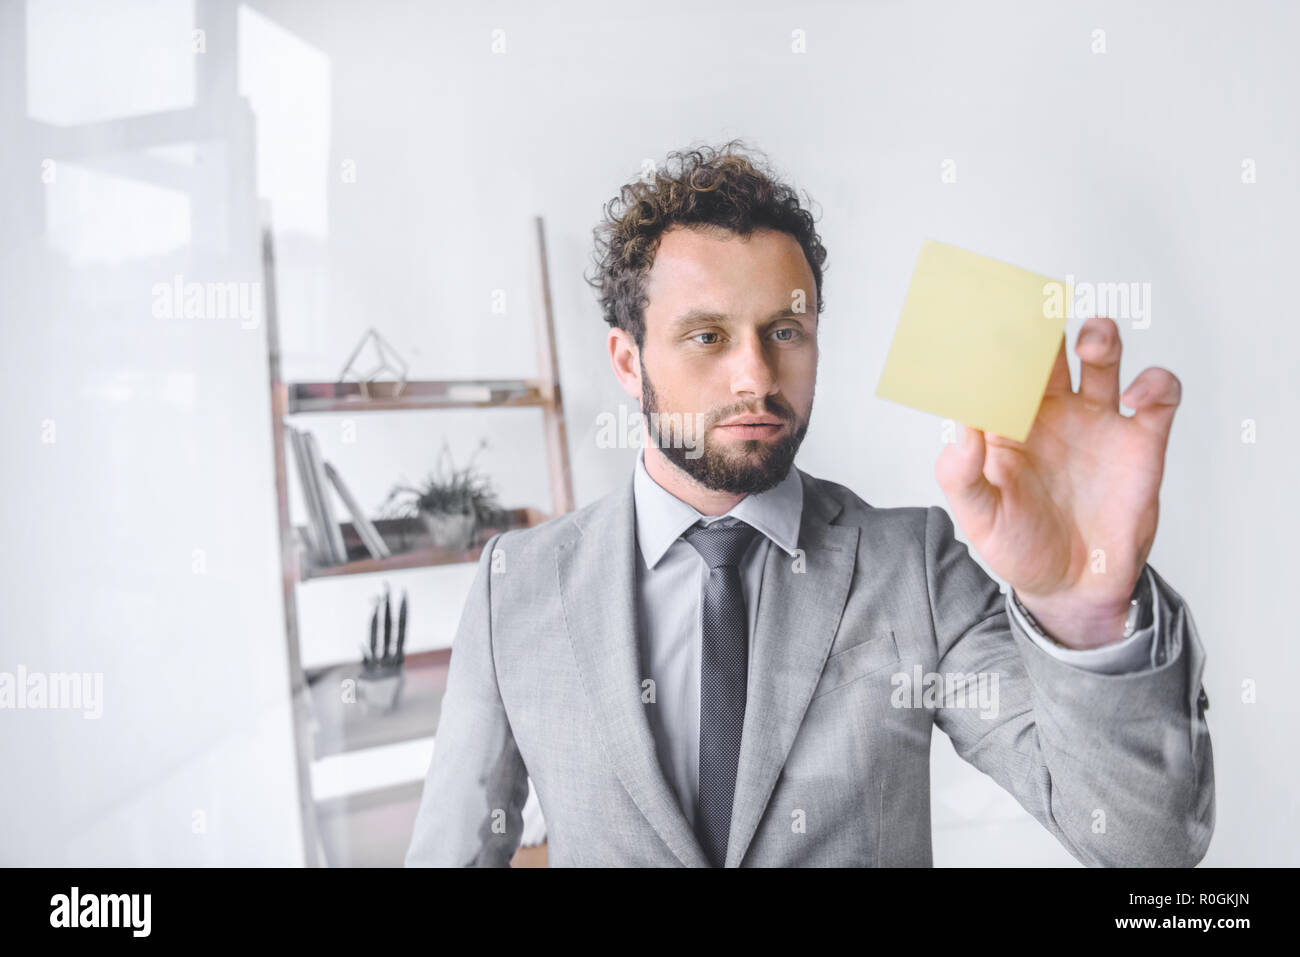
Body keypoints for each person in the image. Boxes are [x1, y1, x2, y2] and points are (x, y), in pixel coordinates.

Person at [406, 140, 1214, 867]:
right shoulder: (516, 581)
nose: (755, 376)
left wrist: (1084, 614)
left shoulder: (915, 566)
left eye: (784, 332)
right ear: (627, 359)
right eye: (707, 336)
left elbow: (1147, 845)